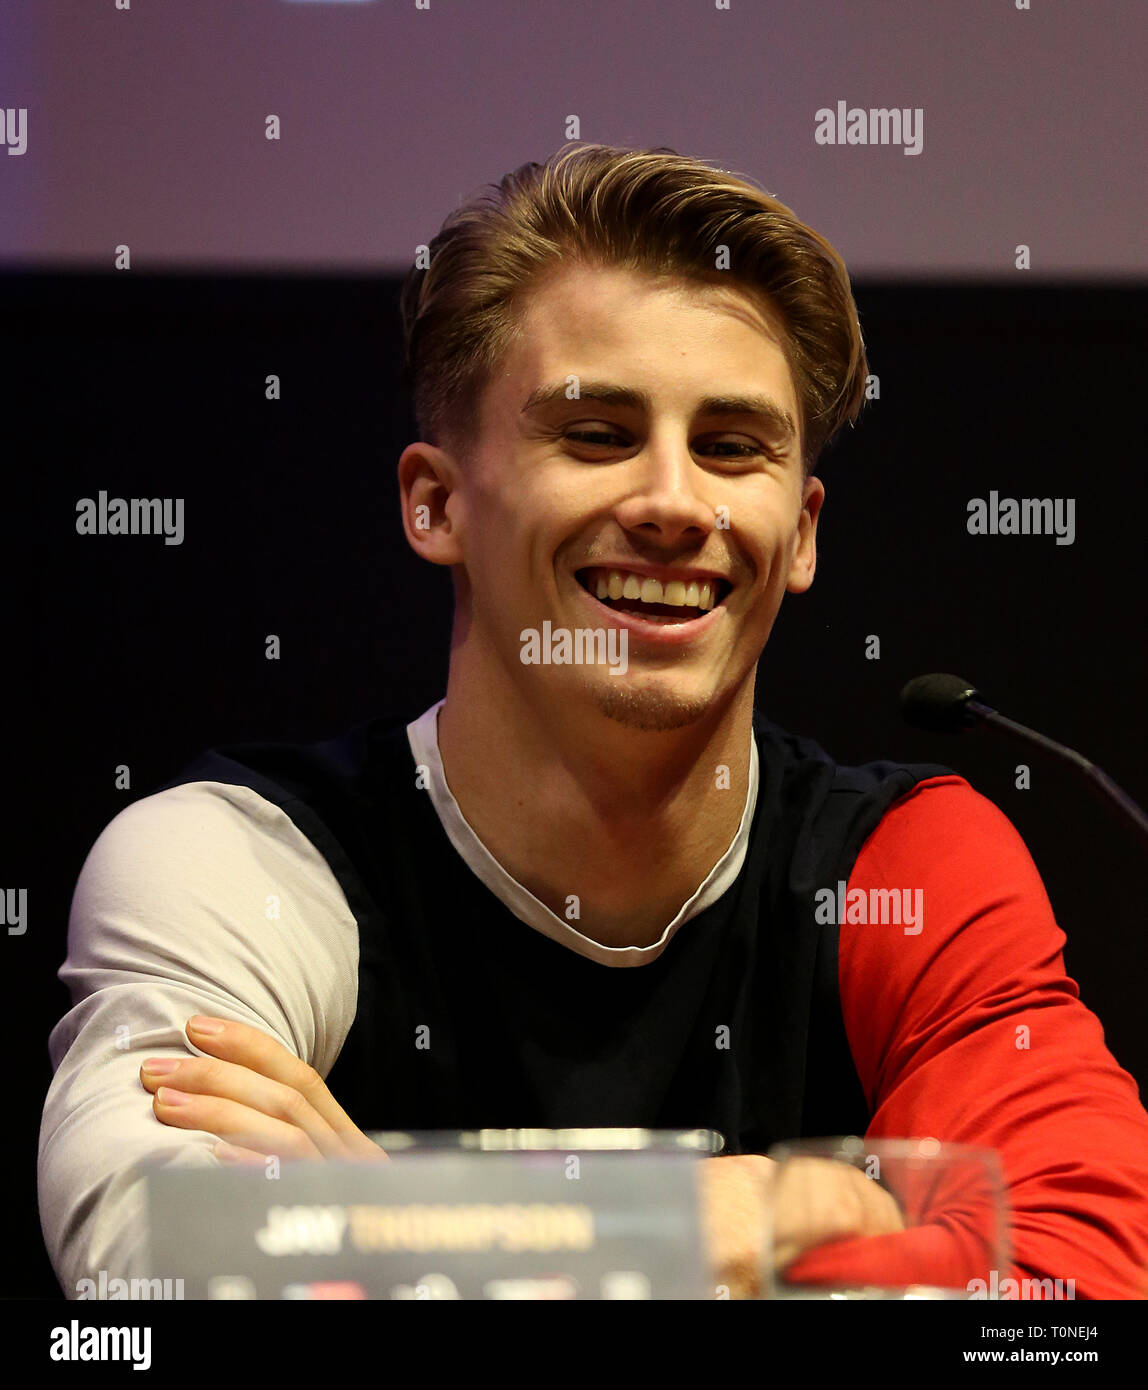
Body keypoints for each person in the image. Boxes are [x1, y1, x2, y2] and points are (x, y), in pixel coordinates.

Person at [38, 143, 1148, 1300]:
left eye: (729, 447)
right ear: (436, 502)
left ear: (803, 530)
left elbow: (1073, 1297)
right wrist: (735, 1234)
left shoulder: (910, 864)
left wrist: (407, 1218)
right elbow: (163, 1273)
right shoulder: (234, 859)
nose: (672, 502)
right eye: (596, 433)